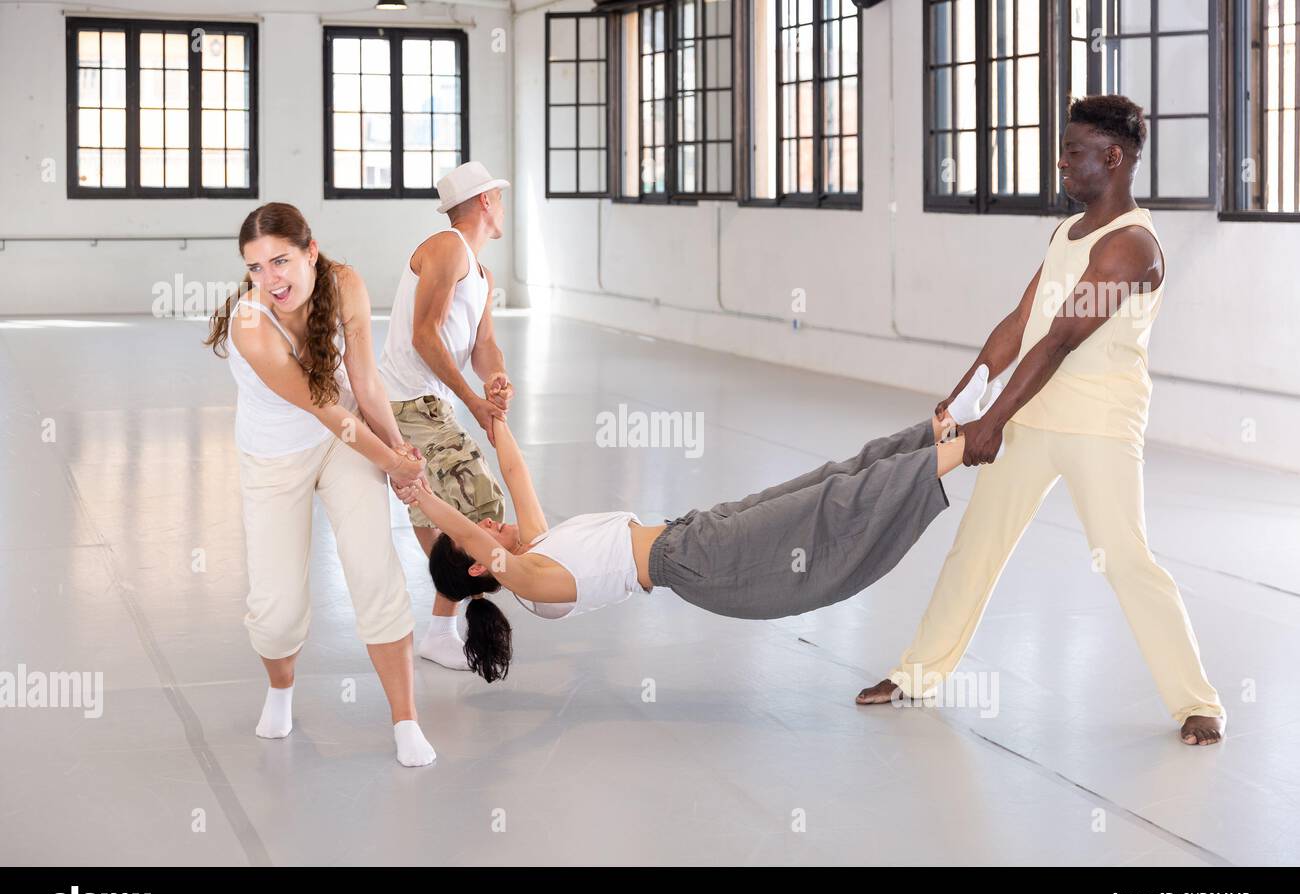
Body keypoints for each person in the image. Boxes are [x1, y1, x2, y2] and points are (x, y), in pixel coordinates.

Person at [856, 95, 1226, 746]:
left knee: (1125, 559)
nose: (1061, 163)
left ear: (1114, 158)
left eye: (1074, 152)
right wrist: (961, 397)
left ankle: (1197, 703)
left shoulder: (1131, 248)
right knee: (978, 544)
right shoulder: (1067, 234)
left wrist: (991, 423)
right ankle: (917, 674)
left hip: (1099, 425)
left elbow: (1058, 340)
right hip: (1034, 408)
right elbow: (1022, 324)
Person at [391, 372, 1002, 683]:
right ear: (477, 564)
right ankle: (971, 445)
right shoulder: (532, 584)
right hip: (698, 561)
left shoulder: (537, 546)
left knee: (826, 480)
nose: (490, 521)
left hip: (693, 532)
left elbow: (516, 469)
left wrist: (492, 414)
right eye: (479, 533)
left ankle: (942, 429)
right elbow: (478, 540)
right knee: (830, 508)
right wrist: (423, 497)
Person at [205, 202, 437, 767]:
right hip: (277, 455)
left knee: (374, 569)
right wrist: (392, 461)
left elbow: (364, 383)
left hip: (343, 444)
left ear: (311, 251)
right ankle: (281, 691)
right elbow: (326, 408)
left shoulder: (346, 283)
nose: (270, 279)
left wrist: (400, 452)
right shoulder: (251, 326)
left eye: (280, 261)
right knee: (277, 610)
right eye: (256, 268)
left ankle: (406, 721)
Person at [379, 161, 514, 671]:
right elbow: (423, 334)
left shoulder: (481, 271)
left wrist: (494, 379)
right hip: (412, 401)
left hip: (424, 402)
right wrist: (472, 403)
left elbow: (484, 346)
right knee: (483, 504)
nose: (502, 208)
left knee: (430, 509)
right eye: (497, 198)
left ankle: (439, 629)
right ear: (484, 202)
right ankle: (441, 628)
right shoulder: (447, 246)